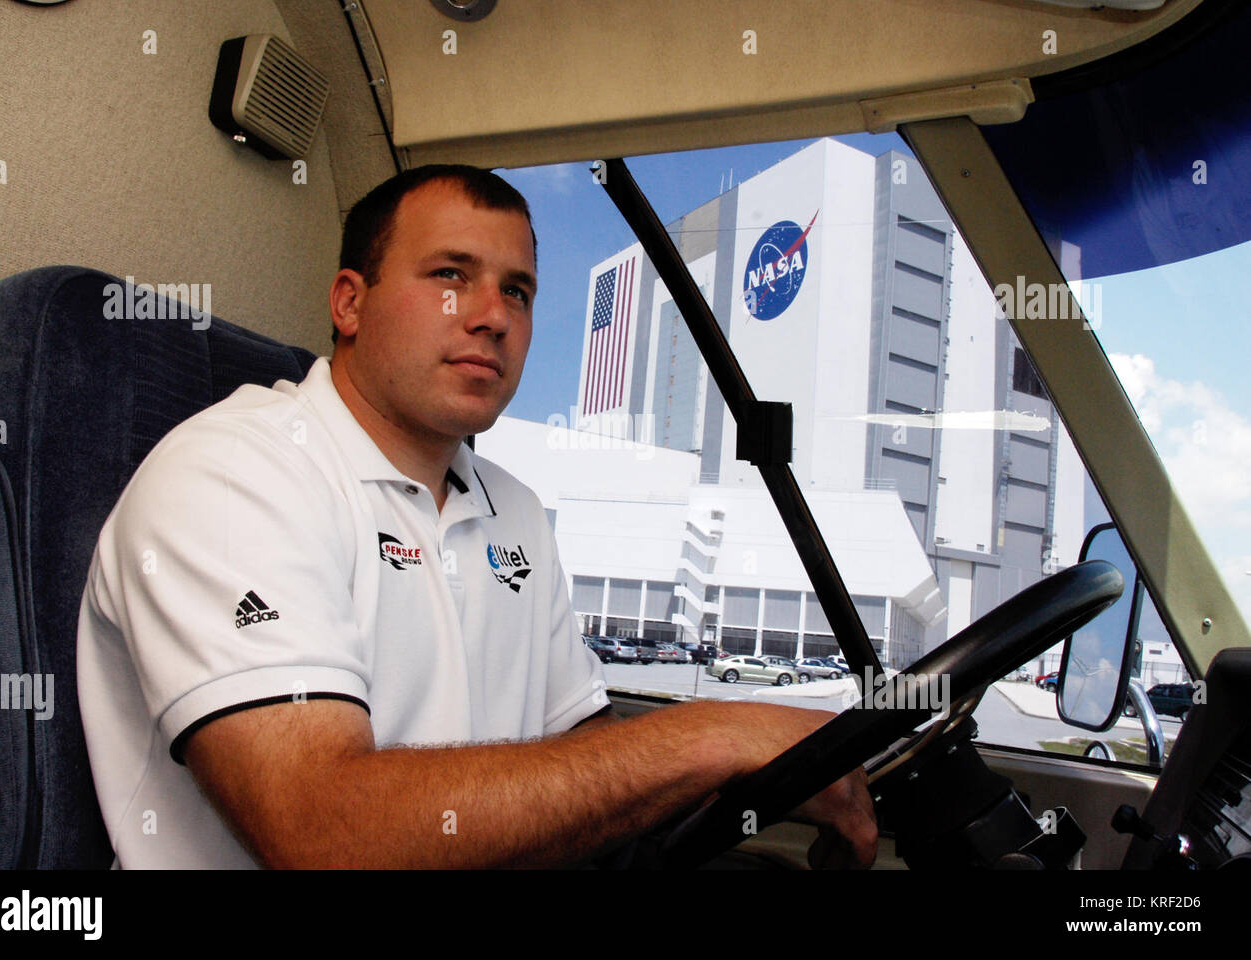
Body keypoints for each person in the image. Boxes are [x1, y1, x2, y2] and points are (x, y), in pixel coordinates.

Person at [75, 164, 877, 869]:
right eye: (452, 276)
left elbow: (586, 761)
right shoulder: (233, 472)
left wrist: (766, 772)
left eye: (518, 291)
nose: (492, 315)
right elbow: (322, 834)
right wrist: (718, 735)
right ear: (351, 302)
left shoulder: (513, 508)